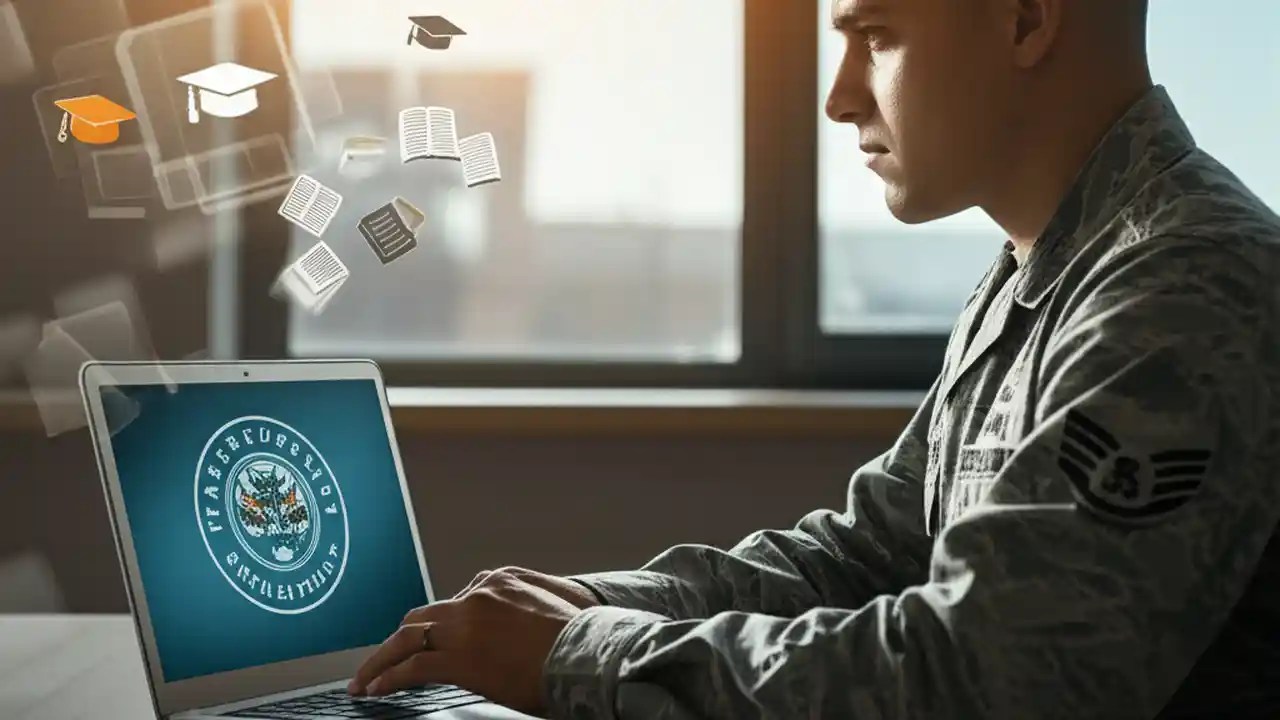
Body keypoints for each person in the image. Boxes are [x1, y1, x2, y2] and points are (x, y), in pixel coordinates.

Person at [348, 0, 1280, 717]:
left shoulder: (1187, 286)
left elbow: (985, 680)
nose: (838, 96)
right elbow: (870, 552)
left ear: (1028, 16)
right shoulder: (1046, 269)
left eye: (874, 33)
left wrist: (578, 653)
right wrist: (580, 605)